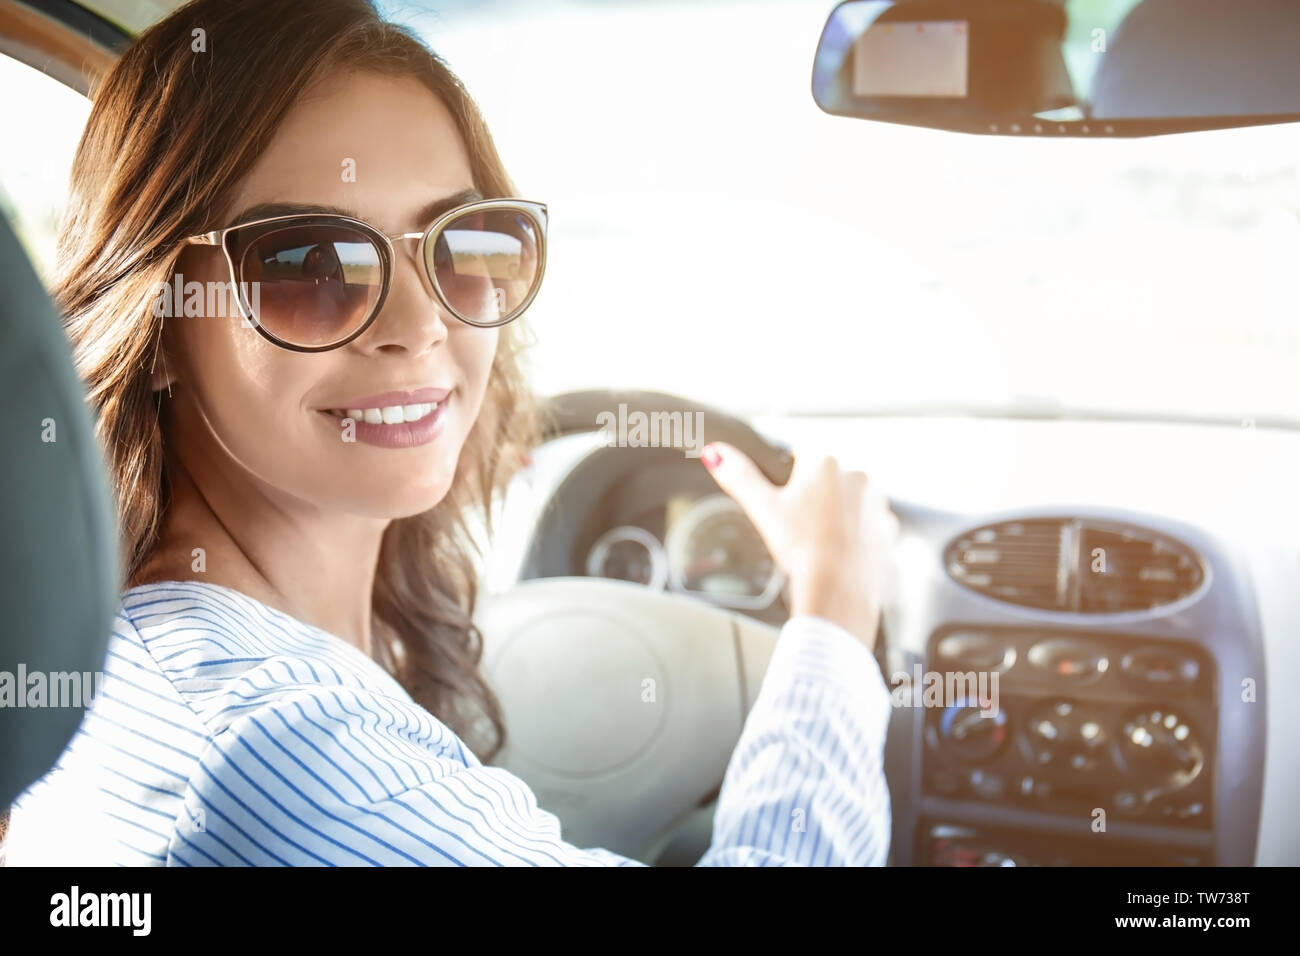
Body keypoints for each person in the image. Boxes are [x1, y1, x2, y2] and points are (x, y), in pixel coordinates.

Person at [3, 0, 898, 866]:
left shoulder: (130, 648)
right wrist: (832, 612)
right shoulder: (271, 747)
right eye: (312, 265)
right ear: (157, 322)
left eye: (467, 246)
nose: (421, 322)